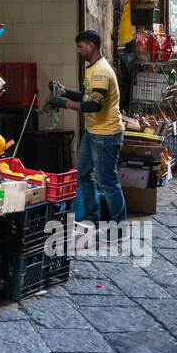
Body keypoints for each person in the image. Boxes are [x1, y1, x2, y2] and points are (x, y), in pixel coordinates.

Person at [51, 29, 127, 226]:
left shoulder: (100, 71)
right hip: (93, 132)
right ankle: (92, 218)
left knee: (107, 182)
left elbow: (95, 105)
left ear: (90, 46)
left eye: (80, 46)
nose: (78, 51)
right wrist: (66, 93)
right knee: (82, 174)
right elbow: (87, 97)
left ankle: (119, 226)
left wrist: (65, 104)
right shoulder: (92, 68)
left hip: (106, 135)